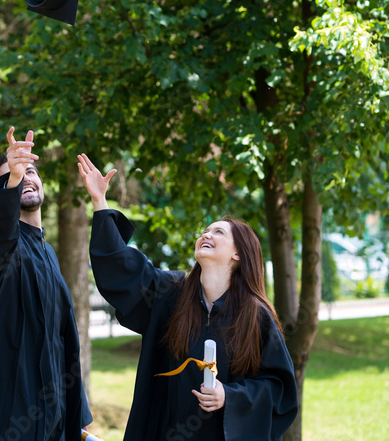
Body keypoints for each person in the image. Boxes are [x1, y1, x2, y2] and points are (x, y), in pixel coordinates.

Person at [79, 153, 299, 440]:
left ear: (238, 254)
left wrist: (228, 396)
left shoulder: (255, 316)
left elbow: (278, 390)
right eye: (205, 231)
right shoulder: (171, 293)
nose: (206, 235)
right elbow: (124, 271)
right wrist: (100, 202)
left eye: (218, 232)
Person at [0, 128, 93, 441]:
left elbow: (62, 339)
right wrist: (11, 178)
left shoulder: (47, 253)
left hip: (48, 417)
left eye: (31, 171)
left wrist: (78, 410)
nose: (25, 177)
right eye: (13, 174)